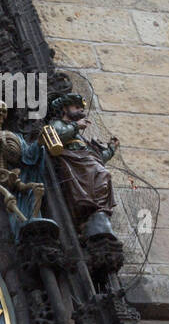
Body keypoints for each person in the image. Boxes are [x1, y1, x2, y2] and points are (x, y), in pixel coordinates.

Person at [44, 94, 119, 236]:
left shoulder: (79, 136)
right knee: (101, 173)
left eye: (81, 108)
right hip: (73, 163)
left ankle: (99, 212)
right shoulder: (58, 123)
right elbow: (55, 136)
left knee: (104, 174)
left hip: (85, 164)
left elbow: (96, 158)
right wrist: (75, 126)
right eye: (76, 107)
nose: (80, 111)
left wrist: (111, 149)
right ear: (65, 109)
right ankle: (90, 212)